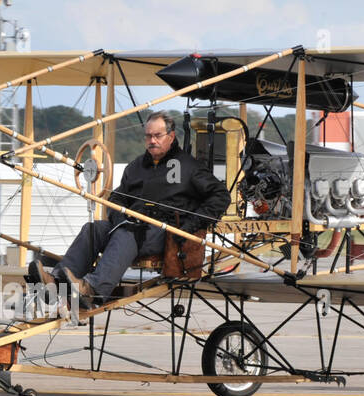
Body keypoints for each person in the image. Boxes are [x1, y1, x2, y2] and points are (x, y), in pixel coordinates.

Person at [33, 111, 230, 308]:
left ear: (171, 137)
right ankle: (56, 283)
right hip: (131, 226)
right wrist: (119, 219)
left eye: (157, 135)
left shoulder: (188, 166)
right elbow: (117, 197)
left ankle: (93, 289)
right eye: (148, 136)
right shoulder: (136, 167)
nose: (152, 140)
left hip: (167, 233)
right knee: (93, 229)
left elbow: (221, 196)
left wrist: (191, 226)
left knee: (127, 234)